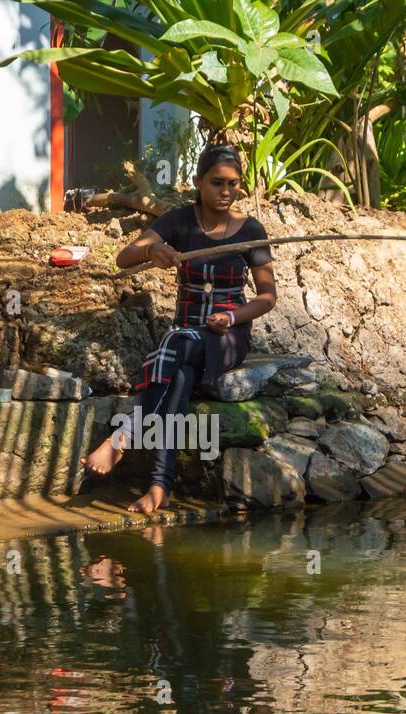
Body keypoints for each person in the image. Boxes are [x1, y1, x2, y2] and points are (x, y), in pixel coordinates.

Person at [81, 144, 278, 515]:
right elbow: (124, 257)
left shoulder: (251, 230)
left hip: (227, 337)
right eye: (217, 182)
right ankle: (160, 485)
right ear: (197, 182)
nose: (226, 191)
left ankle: (123, 437)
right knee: (181, 377)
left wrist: (233, 317)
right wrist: (152, 252)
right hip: (185, 340)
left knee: (174, 346)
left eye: (233, 184)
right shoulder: (180, 221)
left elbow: (267, 297)